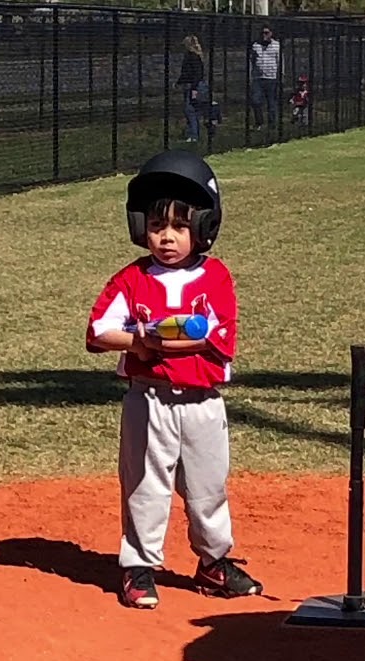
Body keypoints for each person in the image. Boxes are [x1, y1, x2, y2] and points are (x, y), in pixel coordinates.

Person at [84, 149, 264, 610]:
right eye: (158, 225)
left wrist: (156, 339)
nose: (166, 238)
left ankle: (214, 561)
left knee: (208, 486)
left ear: (204, 228)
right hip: (149, 400)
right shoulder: (131, 280)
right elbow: (99, 331)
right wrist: (140, 343)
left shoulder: (216, 277)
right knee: (145, 483)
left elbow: (212, 338)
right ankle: (139, 566)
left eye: (180, 227)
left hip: (203, 402)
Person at [175, 35, 211, 143]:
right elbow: (185, 73)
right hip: (189, 85)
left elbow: (197, 74)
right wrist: (179, 82)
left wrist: (194, 89)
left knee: (190, 110)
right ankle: (191, 133)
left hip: (194, 86)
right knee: (191, 110)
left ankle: (194, 135)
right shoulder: (190, 56)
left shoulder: (193, 57)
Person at [248, 25, 280, 131]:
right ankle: (259, 123)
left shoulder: (276, 45)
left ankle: (272, 124)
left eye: (266, 33)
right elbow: (251, 61)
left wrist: (281, 76)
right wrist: (250, 76)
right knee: (256, 101)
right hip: (258, 78)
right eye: (262, 33)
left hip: (272, 78)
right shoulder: (255, 45)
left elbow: (280, 61)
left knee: (271, 103)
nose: (264, 35)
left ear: (271, 33)